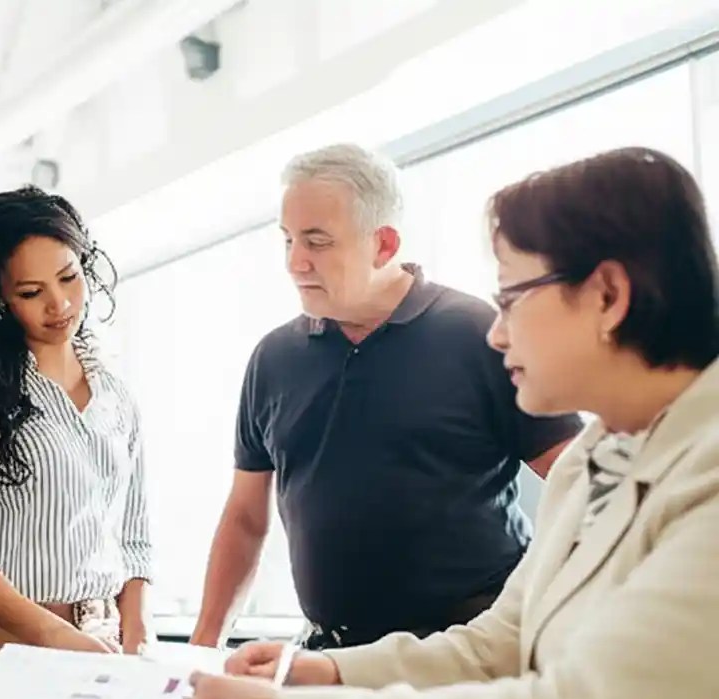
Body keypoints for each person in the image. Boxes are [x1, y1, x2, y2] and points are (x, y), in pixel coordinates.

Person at [188, 146, 719, 699]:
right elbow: (497, 644)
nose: (497, 333)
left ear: (607, 297)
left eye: (512, 298)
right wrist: (325, 670)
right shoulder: (592, 462)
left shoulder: (705, 479)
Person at [190, 143, 583, 652]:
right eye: (287, 239)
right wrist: (203, 647)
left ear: (384, 244)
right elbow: (245, 518)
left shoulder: (480, 334)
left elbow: (578, 476)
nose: (294, 261)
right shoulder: (273, 359)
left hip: (467, 655)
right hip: (332, 656)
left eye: (317, 241)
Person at [0, 187, 153, 662]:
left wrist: (139, 639)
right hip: (0, 641)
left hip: (101, 638)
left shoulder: (117, 397)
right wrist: (59, 638)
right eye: (31, 292)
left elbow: (134, 542)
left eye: (69, 278)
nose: (59, 304)